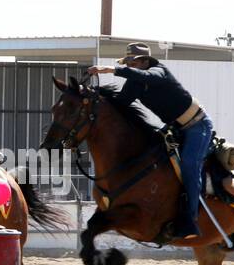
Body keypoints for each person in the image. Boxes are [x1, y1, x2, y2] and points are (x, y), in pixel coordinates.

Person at [87, 42, 212, 239]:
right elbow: (119, 106)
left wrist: (111, 69)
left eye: (132, 62)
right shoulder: (135, 83)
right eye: (127, 62)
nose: (129, 66)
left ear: (145, 61)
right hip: (175, 128)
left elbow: (146, 77)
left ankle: (190, 219)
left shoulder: (159, 71)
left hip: (197, 126)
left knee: (189, 164)